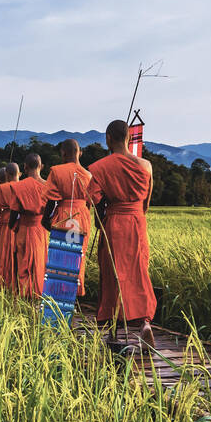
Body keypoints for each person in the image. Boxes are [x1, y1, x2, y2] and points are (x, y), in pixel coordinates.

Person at [87, 119, 156, 349]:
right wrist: (136, 214)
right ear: (128, 138)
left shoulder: (99, 168)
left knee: (113, 275)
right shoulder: (145, 165)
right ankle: (145, 323)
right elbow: (146, 202)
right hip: (137, 223)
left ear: (108, 138)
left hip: (114, 224)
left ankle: (114, 333)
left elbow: (94, 201)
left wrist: (100, 221)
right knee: (138, 272)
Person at [41, 138, 93, 295]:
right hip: (83, 216)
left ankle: (58, 294)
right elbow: (90, 203)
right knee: (77, 257)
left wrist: (46, 219)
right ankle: (73, 295)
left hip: (64, 214)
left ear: (63, 153)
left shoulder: (57, 171)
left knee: (60, 257)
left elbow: (52, 200)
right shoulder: (89, 175)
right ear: (80, 153)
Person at [8, 154, 48, 299]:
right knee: (39, 263)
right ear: (41, 166)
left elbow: (13, 213)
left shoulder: (19, 187)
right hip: (40, 228)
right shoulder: (48, 185)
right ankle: (39, 294)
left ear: (24, 168)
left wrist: (13, 228)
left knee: (23, 264)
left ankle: (25, 295)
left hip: (23, 229)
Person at [0, 162, 21, 291]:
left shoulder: (2, 189)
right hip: (21, 224)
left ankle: (4, 279)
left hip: (6, 224)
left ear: (7, 175)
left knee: (5, 253)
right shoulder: (23, 186)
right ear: (19, 173)